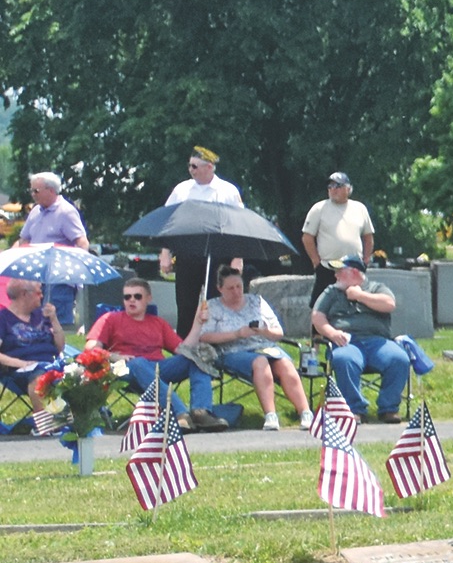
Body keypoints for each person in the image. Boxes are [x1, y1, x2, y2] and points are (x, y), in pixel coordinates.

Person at [311, 254, 435, 420]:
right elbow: (317, 316)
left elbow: (389, 304)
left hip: (377, 342)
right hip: (346, 341)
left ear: (354, 272)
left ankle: (388, 408)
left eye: (340, 271)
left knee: (399, 359)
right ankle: (354, 409)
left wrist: (360, 296)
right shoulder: (332, 291)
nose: (336, 275)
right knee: (344, 359)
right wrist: (332, 333)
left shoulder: (376, 287)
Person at [197, 266, 309, 430]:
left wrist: (263, 331)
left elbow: (279, 333)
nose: (236, 292)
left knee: (284, 363)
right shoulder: (212, 306)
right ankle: (271, 415)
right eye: (230, 288)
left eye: (239, 287)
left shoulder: (256, 301)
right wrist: (237, 334)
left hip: (263, 345)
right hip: (232, 350)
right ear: (220, 289)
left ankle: (305, 413)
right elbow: (204, 336)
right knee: (260, 361)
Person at [88, 279, 209, 417]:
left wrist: (198, 323)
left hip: (158, 368)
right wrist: (113, 356)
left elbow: (183, 350)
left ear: (148, 298)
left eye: (137, 296)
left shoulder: (158, 323)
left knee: (195, 359)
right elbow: (90, 348)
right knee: (138, 362)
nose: (131, 300)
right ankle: (179, 413)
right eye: (127, 297)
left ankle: (201, 412)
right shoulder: (110, 319)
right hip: (125, 370)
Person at [160, 146, 244, 335]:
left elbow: (238, 225)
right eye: (190, 166)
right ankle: (183, 346)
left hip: (219, 252)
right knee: (185, 303)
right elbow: (169, 222)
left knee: (216, 302)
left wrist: (237, 257)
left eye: (195, 166)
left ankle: (215, 343)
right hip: (188, 251)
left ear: (209, 167)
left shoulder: (227, 191)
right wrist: (165, 253)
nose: (191, 170)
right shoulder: (182, 190)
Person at [14, 172, 91, 327]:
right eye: (31, 191)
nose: (33, 195)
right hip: (35, 277)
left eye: (36, 191)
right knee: (35, 323)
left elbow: (82, 243)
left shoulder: (66, 211)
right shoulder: (36, 211)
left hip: (58, 280)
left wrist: (72, 272)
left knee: (57, 324)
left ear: (51, 190)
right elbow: (24, 240)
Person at [0, 278, 64, 423]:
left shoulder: (43, 315)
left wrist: (54, 319)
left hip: (51, 364)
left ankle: (78, 422)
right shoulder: (3, 319)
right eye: (38, 292)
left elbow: (60, 347)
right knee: (39, 377)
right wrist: (21, 363)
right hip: (20, 371)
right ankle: (47, 424)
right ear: (24, 294)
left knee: (81, 374)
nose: (42, 296)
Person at [300, 171, 376, 277]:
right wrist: (316, 262)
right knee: (321, 294)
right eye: (330, 186)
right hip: (327, 268)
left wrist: (366, 260)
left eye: (337, 186)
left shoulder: (360, 208)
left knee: (356, 294)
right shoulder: (318, 209)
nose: (333, 189)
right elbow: (307, 238)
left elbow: (368, 237)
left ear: (348, 189)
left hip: (353, 268)